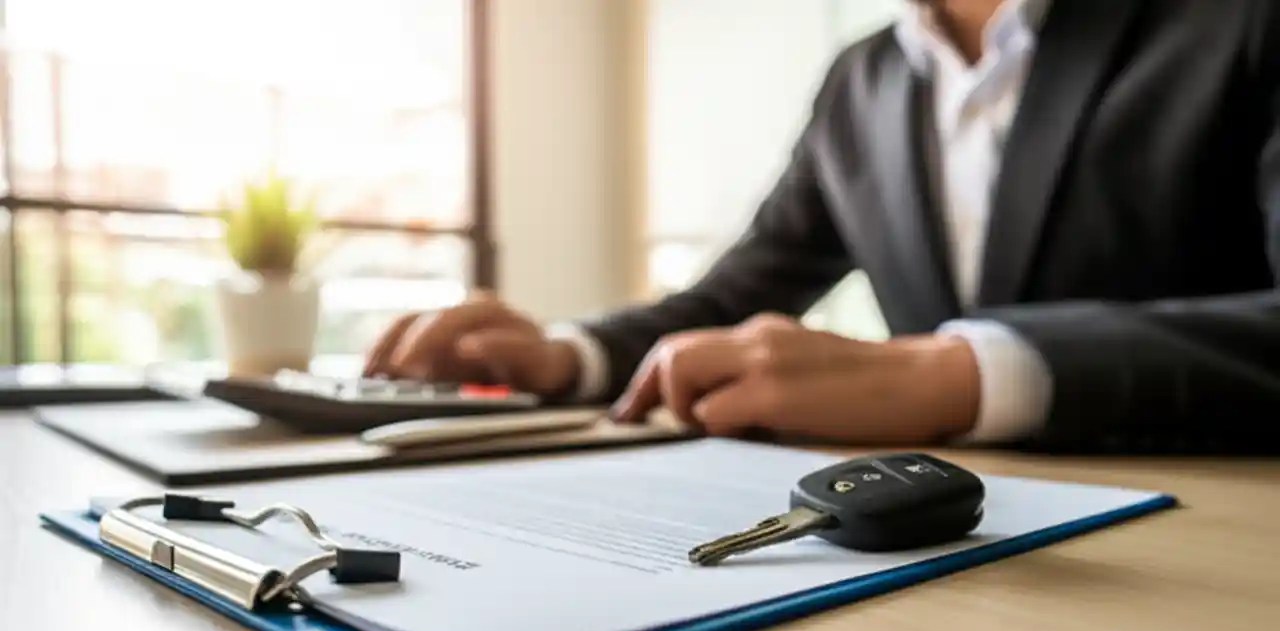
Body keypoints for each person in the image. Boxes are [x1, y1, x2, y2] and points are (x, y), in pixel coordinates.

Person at [365, 0, 1280, 453]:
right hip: (940, 537)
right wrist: (564, 355)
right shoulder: (862, 80)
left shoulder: (1237, 21)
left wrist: (951, 373)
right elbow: (740, 291)